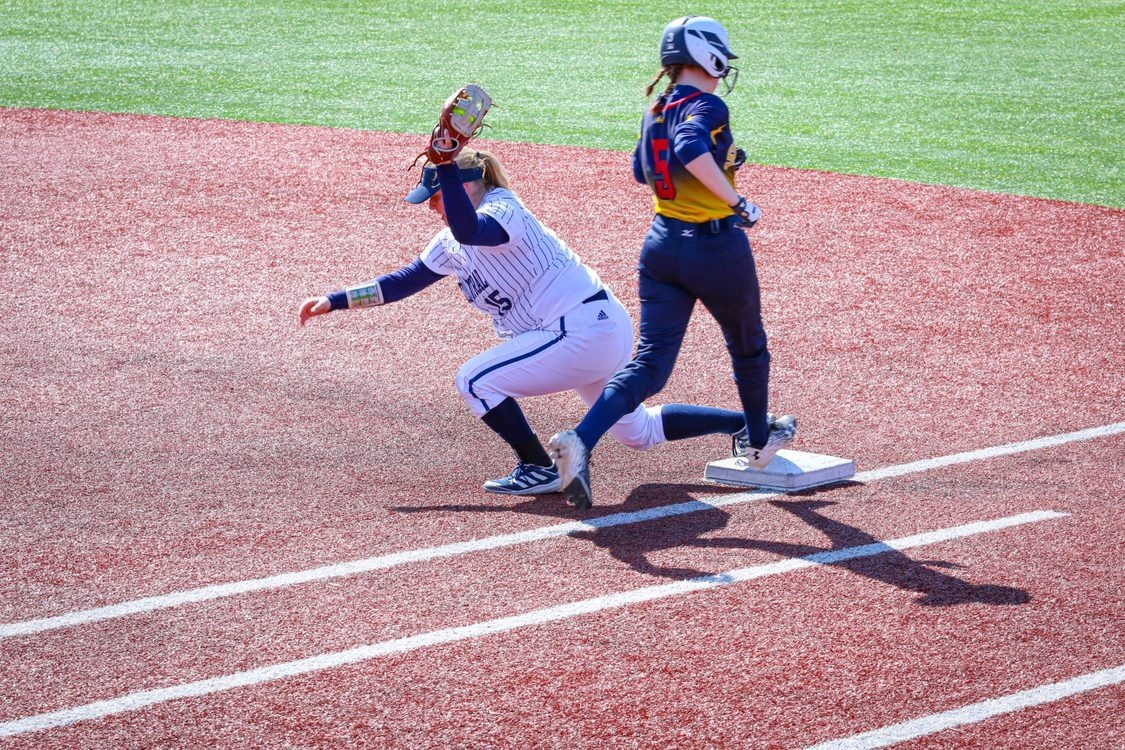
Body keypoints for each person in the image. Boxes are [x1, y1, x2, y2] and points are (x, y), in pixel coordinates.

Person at [299, 147, 753, 496]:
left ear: (467, 185)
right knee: (640, 432)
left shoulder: (504, 210)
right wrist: (335, 300)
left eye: (436, 196)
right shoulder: (449, 243)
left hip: (577, 329)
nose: (432, 207)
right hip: (591, 330)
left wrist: (447, 170)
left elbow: (471, 230)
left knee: (474, 380)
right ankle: (750, 424)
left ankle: (537, 466)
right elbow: (401, 282)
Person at [549, 16, 797, 510]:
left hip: (662, 247)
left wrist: (718, 164)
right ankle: (756, 444)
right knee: (749, 348)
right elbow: (688, 148)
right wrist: (735, 198)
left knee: (650, 364)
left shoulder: (657, 108)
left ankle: (581, 438)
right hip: (714, 250)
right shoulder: (708, 103)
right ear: (709, 56)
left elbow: (645, 172)